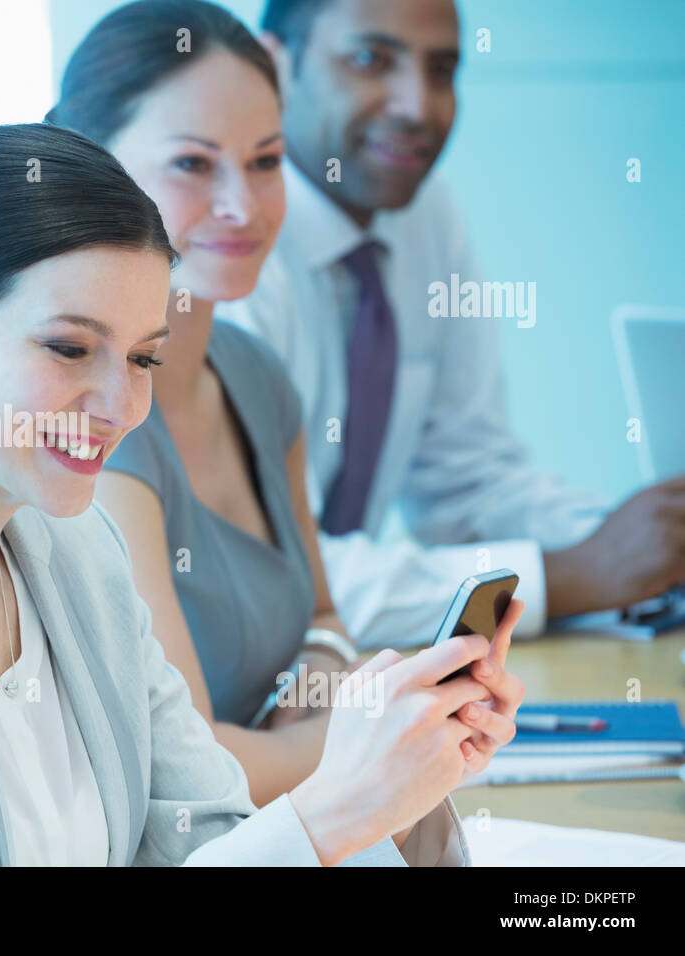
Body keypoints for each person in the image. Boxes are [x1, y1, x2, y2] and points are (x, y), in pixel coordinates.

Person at [0, 122, 524, 867]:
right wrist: (334, 807)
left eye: (142, 359)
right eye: (68, 348)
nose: (121, 406)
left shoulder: (79, 552)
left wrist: (397, 788)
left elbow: (206, 840)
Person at [219, 0, 685, 647]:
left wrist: (647, 542)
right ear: (274, 66)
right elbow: (275, 577)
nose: (417, 105)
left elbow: (468, 484)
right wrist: (569, 574)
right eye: (369, 60)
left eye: (442, 69)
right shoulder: (226, 249)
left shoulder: (423, 213)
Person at [49, 0, 378, 804]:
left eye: (266, 161)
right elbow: (192, 773)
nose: (244, 206)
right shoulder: (95, 421)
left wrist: (320, 685)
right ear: (95, 165)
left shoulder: (258, 376)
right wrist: (366, 729)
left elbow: (325, 618)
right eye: (194, 165)